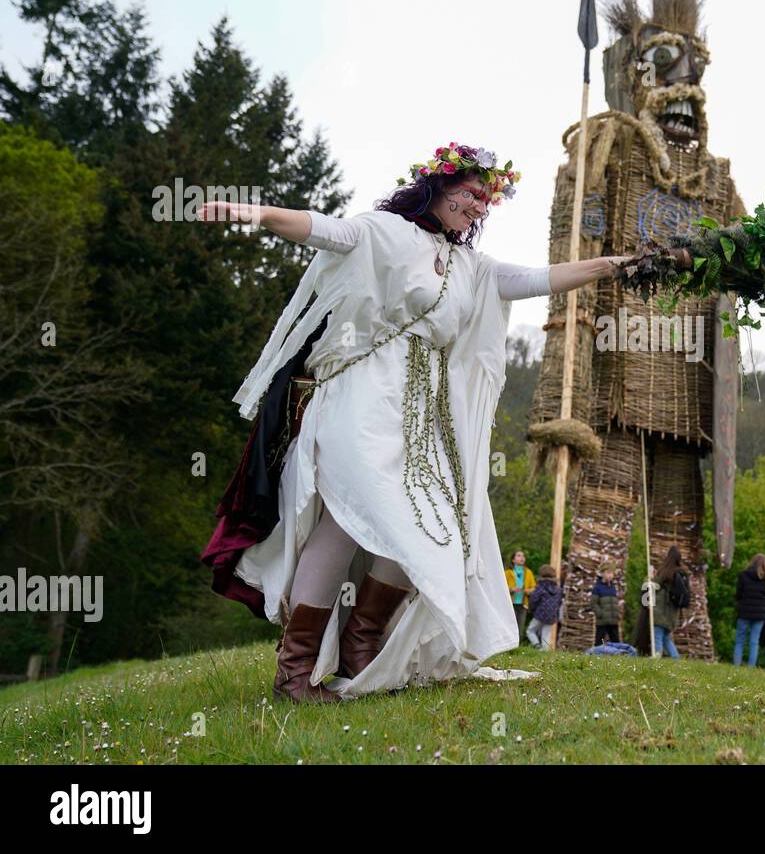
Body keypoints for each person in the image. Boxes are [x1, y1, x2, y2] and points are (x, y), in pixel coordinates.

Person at [199, 142, 631, 702]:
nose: (480, 207)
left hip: (419, 417)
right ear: (438, 186)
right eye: (473, 194)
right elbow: (324, 230)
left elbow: (537, 278)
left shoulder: (471, 268)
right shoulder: (384, 232)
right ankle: (295, 674)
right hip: (360, 400)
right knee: (348, 522)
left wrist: (614, 265)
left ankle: (363, 644)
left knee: (436, 528)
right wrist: (255, 213)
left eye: (487, 201)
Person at [633, 546, 689, 659]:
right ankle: (675, 659)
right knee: (666, 639)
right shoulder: (681, 574)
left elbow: (652, 586)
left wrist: (648, 578)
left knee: (657, 638)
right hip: (671, 616)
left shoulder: (666, 573)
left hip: (660, 613)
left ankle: (657, 660)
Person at [733, 554, 765, 667]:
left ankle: (736, 664)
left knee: (740, 640)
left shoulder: (743, 575)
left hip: (744, 610)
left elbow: (738, 594)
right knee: (754, 641)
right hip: (760, 612)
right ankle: (751, 666)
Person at [525, 564, 563, 650]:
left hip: (540, 614)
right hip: (552, 616)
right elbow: (559, 602)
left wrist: (532, 609)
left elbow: (533, 599)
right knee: (546, 634)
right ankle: (544, 652)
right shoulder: (558, 589)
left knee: (530, 631)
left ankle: (537, 646)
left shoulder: (540, 587)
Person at [504, 550, 535, 643]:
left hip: (523, 603)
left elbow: (533, 587)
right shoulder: (508, 572)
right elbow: (501, 587)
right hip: (510, 603)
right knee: (508, 626)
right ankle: (507, 646)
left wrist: (528, 591)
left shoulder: (528, 572)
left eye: (523, 556)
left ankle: (517, 647)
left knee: (520, 627)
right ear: (513, 560)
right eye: (519, 556)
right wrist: (511, 589)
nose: (522, 558)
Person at [591, 568, 621, 645]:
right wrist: (600, 614)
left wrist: (617, 613)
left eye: (612, 573)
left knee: (616, 641)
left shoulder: (613, 587)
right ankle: (596, 656)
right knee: (599, 641)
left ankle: (617, 655)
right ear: (603, 574)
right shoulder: (597, 588)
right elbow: (593, 603)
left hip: (613, 620)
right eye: (608, 573)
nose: (610, 575)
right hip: (602, 621)